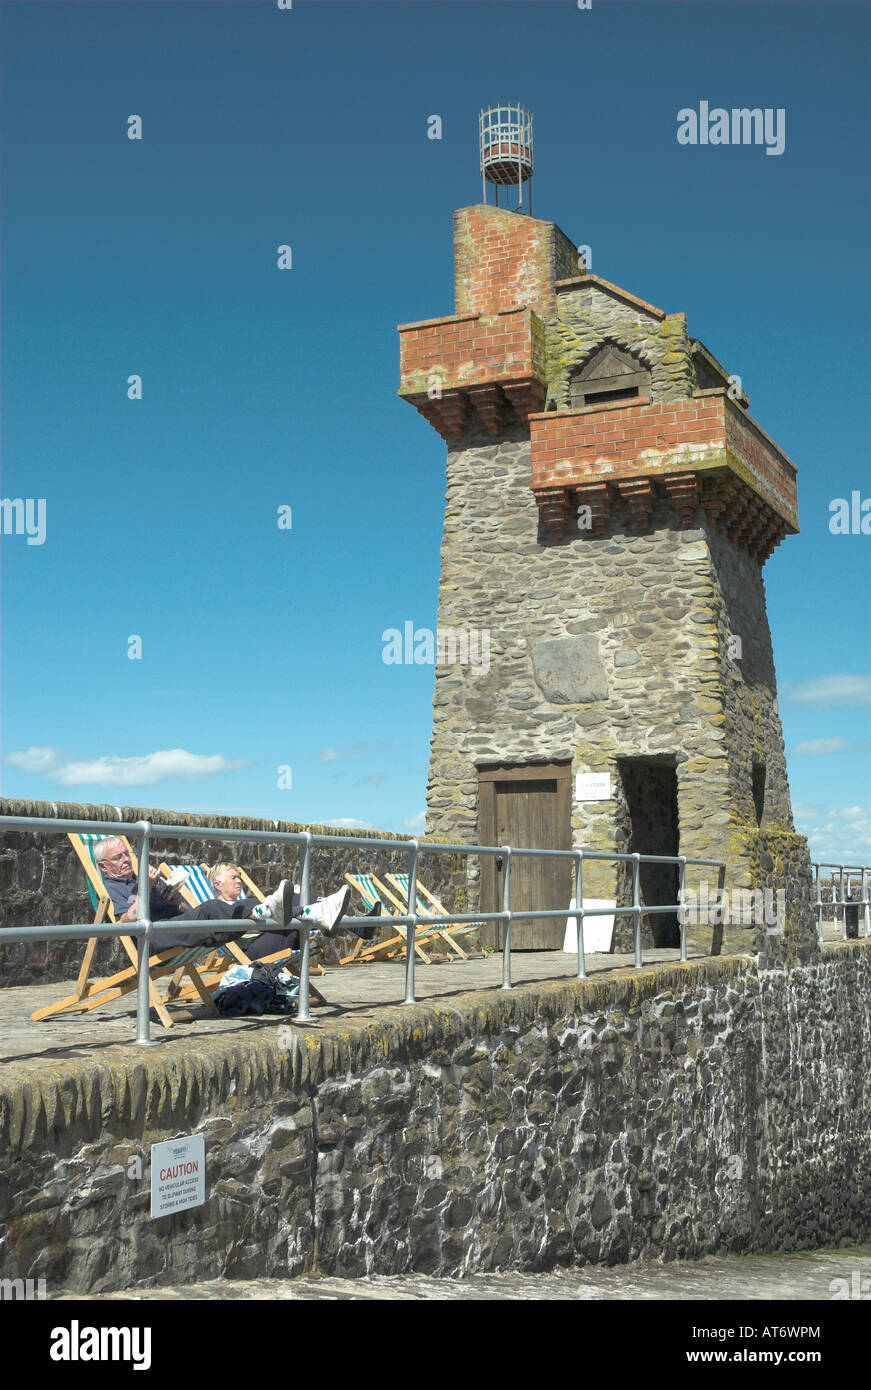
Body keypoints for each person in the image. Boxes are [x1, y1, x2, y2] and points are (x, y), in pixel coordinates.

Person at [92, 838, 376, 956]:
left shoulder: (139, 877)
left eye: (126, 854)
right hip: (152, 937)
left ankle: (338, 917)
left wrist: (170, 893)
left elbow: (177, 906)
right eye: (117, 858)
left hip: (179, 924)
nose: (125, 860)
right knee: (214, 907)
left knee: (249, 903)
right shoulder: (112, 887)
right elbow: (126, 921)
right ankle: (305, 914)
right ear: (104, 866)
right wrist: (146, 888)